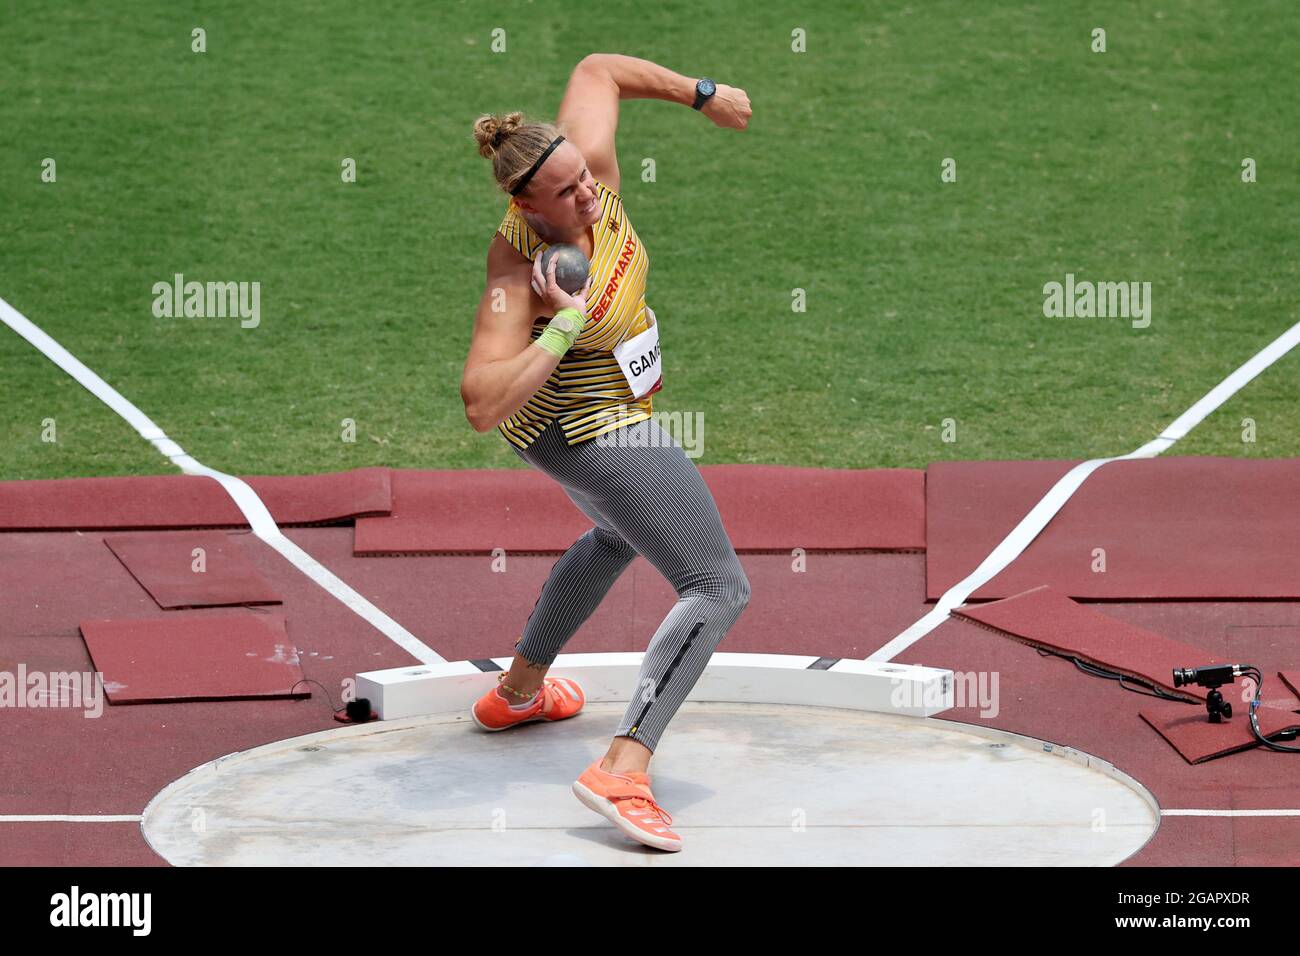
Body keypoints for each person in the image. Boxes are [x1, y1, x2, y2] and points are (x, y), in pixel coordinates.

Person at [459, 54, 752, 852]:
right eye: (567, 193)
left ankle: (519, 692)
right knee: (717, 584)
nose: (589, 193)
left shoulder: (581, 169)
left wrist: (704, 95)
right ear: (528, 205)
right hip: (590, 428)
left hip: (600, 414)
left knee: (618, 535)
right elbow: (482, 402)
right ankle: (623, 766)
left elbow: (600, 69)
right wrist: (561, 322)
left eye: (586, 176)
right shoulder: (516, 272)